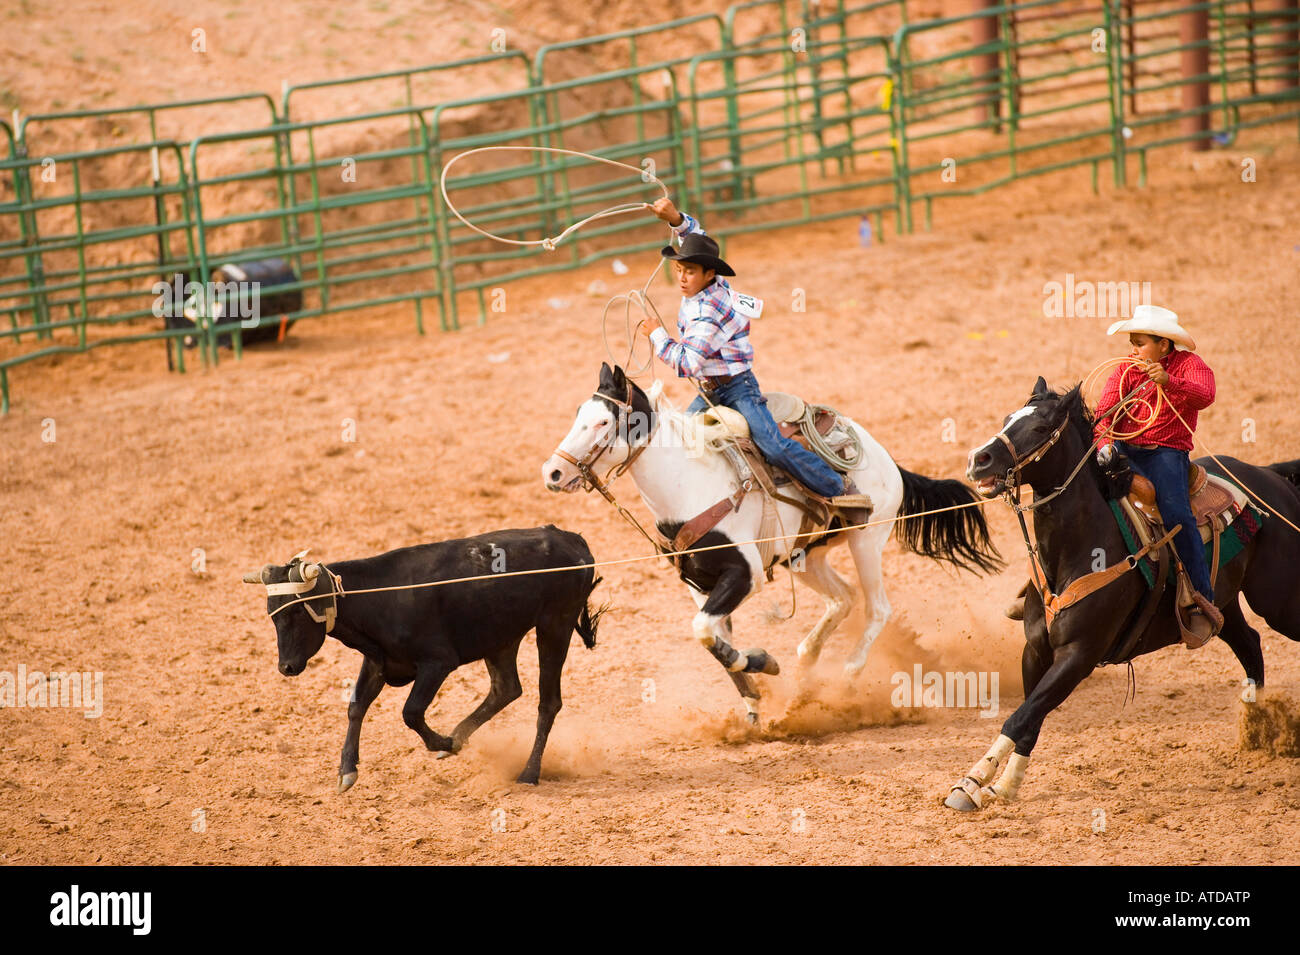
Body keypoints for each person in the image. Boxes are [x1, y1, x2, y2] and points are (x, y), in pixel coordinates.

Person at [635, 197, 871, 517]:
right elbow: (696, 236)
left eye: (689, 271)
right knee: (684, 441)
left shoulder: (709, 309)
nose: (681, 277)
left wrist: (656, 336)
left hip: (736, 388)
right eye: (678, 269)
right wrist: (675, 218)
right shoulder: (710, 283)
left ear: (707, 274)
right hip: (712, 389)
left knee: (773, 446)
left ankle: (838, 487)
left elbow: (688, 362)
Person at [1093, 304, 1222, 647]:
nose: (1132, 349)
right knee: (1082, 495)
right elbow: (1103, 416)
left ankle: (1201, 597)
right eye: (1132, 342)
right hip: (1124, 449)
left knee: (1177, 514)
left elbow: (1205, 396)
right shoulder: (1124, 371)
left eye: (1139, 342)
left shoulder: (1189, 366)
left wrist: (1171, 381)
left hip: (1166, 452)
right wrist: (1105, 444)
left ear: (1163, 345)